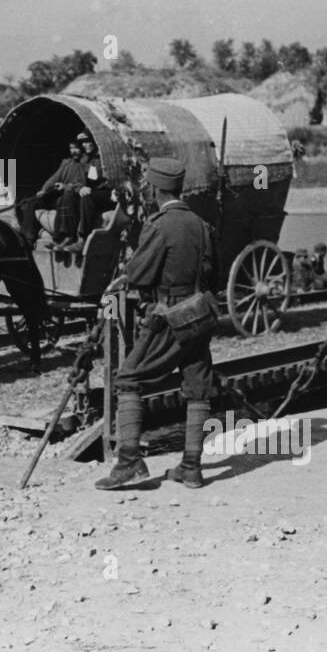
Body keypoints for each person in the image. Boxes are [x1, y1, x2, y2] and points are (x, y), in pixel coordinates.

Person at [95, 157, 218, 491]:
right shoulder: (201, 224)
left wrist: (128, 276)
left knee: (129, 378)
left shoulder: (159, 225)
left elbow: (139, 274)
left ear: (155, 189)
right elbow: (212, 274)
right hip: (199, 315)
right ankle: (192, 468)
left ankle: (130, 463)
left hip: (168, 316)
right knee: (197, 387)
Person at [18, 139, 84, 245]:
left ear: (82, 148)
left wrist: (65, 186)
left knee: (65, 199)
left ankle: (61, 236)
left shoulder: (85, 163)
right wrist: (44, 190)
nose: (74, 151)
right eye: (71, 148)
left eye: (76, 148)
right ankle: (27, 235)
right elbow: (54, 178)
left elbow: (81, 182)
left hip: (72, 199)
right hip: (59, 197)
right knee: (31, 202)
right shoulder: (67, 163)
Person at [57, 132, 114, 253]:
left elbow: (111, 179)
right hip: (91, 191)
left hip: (107, 192)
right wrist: (79, 188)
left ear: (95, 141)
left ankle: (83, 238)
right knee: (69, 195)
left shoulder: (104, 156)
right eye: (83, 142)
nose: (85, 145)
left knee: (87, 197)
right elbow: (77, 180)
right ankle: (69, 236)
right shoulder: (84, 159)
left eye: (88, 141)